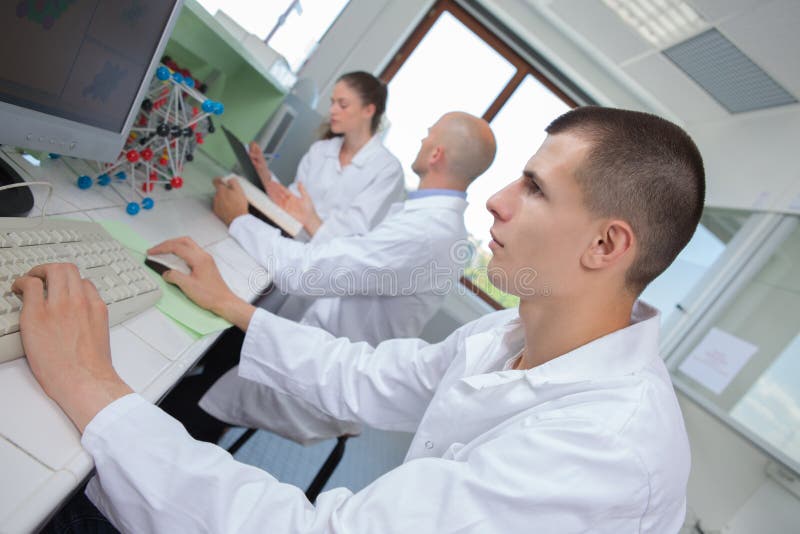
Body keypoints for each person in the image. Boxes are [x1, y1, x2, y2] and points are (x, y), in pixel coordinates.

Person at [16, 106, 703, 533]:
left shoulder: (602, 452)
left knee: (64, 501)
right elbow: (371, 374)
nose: (496, 201)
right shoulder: (511, 334)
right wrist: (234, 306)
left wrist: (92, 386)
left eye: (535, 188)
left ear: (606, 245)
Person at [182, 111, 496, 444]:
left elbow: (308, 272)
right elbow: (353, 256)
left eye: (428, 134)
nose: (422, 139)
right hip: (321, 346)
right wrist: (308, 218)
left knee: (184, 399)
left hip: (328, 374)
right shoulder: (435, 223)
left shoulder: (426, 232)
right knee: (226, 346)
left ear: (436, 154)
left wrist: (239, 221)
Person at [247, 70, 404, 241]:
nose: (332, 110)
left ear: (368, 111)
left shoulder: (387, 170)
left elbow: (355, 238)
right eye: (332, 103)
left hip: (326, 256)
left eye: (343, 105)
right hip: (288, 242)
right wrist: (265, 176)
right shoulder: (320, 150)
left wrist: (310, 220)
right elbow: (293, 203)